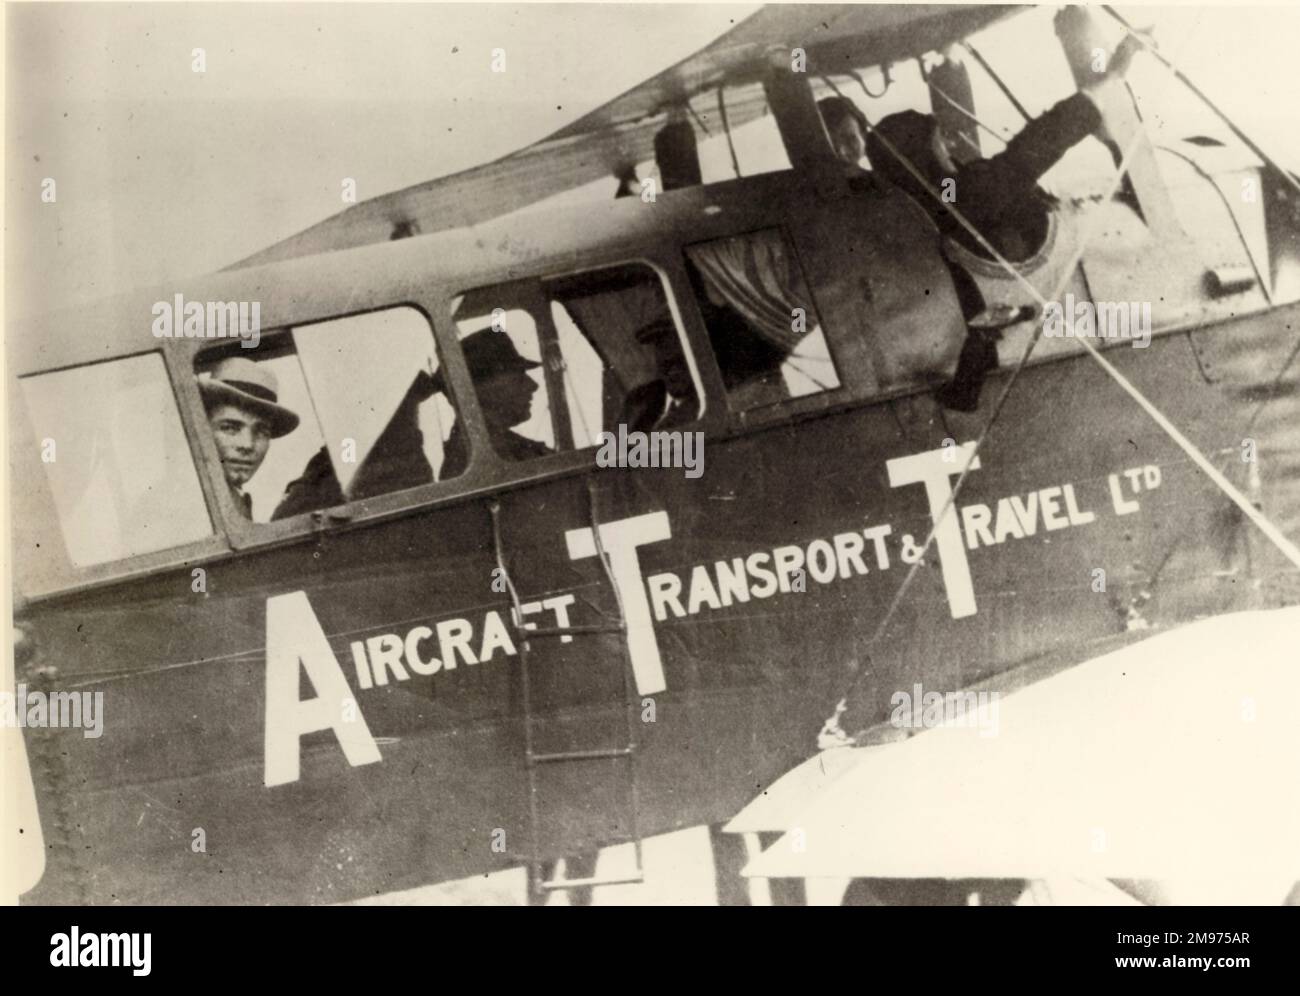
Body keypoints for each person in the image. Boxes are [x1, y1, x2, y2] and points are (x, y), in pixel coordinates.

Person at [863, 33, 1144, 263]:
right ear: (921, 156)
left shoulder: (930, 204)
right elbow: (1029, 153)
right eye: (938, 140)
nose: (949, 143)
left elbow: (953, 185)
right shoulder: (961, 195)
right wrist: (1107, 82)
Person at [438, 327, 553, 478]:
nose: (533, 385)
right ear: (479, 389)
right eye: (517, 377)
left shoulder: (493, 447)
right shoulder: (470, 462)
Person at [198, 357, 299, 519]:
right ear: (202, 429)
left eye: (261, 432)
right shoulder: (188, 504)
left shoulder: (230, 500)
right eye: (230, 428)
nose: (247, 445)